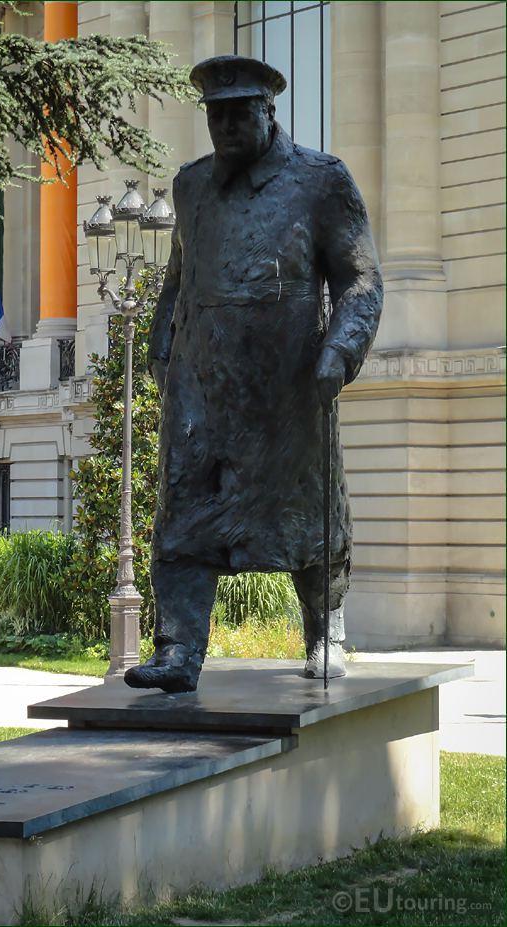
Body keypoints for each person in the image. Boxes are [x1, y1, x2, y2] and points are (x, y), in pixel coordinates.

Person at [125, 55, 383, 693]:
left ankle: (325, 632)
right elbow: (178, 279)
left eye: (239, 113)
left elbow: (359, 279)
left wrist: (340, 350)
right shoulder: (191, 187)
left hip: (288, 385)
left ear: (269, 112)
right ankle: (178, 649)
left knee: (309, 513)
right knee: (183, 508)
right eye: (216, 115)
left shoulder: (321, 180)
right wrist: (161, 347)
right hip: (201, 384)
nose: (226, 126)